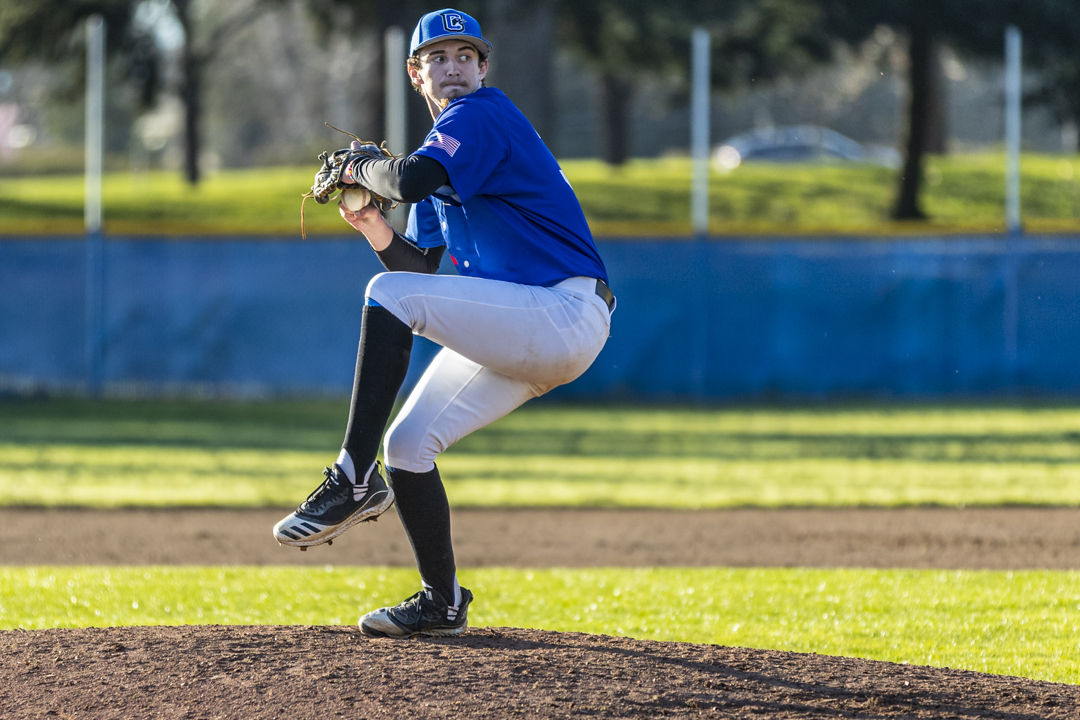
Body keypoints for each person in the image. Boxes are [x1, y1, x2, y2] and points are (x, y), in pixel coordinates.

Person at [273, 8, 614, 639]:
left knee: (385, 295)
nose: (453, 67)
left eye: (465, 56)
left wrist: (355, 167)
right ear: (416, 73)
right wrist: (375, 227)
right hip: (528, 325)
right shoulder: (443, 152)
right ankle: (442, 600)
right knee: (408, 447)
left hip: (562, 310)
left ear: (483, 69)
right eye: (437, 57)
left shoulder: (480, 115)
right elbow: (423, 269)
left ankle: (351, 478)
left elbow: (407, 179)